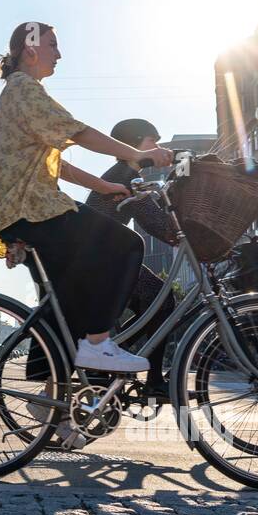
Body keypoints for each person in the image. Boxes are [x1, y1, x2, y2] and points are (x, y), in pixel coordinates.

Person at [0, 21, 174, 390]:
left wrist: (104, 185)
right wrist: (138, 154)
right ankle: (98, 344)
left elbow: (58, 164)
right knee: (127, 246)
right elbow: (78, 131)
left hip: (25, 210)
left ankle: (54, 401)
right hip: (32, 208)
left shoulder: (20, 93)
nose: (60, 53)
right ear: (31, 48)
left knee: (68, 298)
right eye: (53, 44)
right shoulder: (25, 89)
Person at [84, 118, 180, 396]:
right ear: (132, 145)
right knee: (162, 300)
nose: (158, 147)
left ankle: (112, 355)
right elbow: (157, 225)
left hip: (103, 260)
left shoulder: (124, 174)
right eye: (152, 141)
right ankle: (151, 380)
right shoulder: (125, 177)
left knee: (159, 301)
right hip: (103, 263)